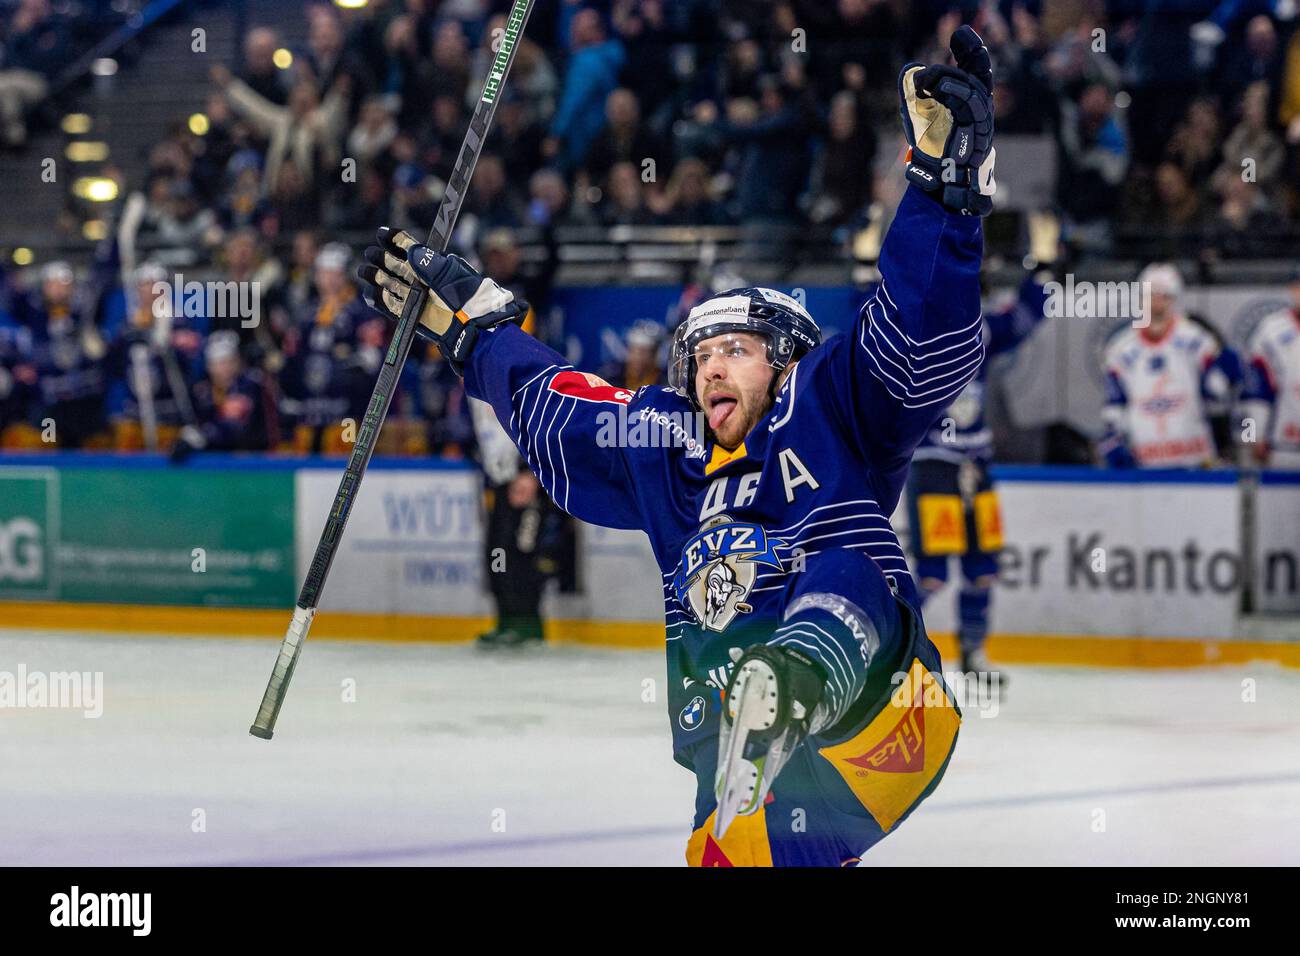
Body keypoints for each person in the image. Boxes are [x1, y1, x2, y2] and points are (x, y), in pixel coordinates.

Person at [359, 28, 995, 867]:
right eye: (699, 354)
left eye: (737, 347)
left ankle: (792, 685)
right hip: (739, 766)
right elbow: (557, 410)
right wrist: (478, 331)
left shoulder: (831, 401)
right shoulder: (666, 445)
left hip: (886, 715)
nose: (711, 367)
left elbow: (920, 334)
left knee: (841, 567)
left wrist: (943, 194)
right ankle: (765, 715)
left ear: (788, 358)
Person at [906, 273, 1049, 686]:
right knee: (932, 572)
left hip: (977, 465)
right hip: (935, 464)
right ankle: (885, 648)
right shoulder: (915, 330)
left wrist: (1038, 274)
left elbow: (1023, 321)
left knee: (982, 566)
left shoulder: (980, 329)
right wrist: (864, 274)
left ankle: (973, 651)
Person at [1100, 264, 1237, 468]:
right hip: (1145, 459)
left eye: (1164, 296)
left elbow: (1220, 391)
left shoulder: (1197, 339)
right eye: (1150, 296)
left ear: (1175, 299)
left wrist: (1225, 362)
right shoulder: (1120, 349)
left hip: (1194, 458)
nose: (1156, 304)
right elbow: (1114, 406)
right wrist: (1112, 443)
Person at [1242, 266, 1300, 469]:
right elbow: (1253, 392)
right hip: (1284, 447)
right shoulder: (1270, 330)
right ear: (1292, 289)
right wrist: (1252, 437)